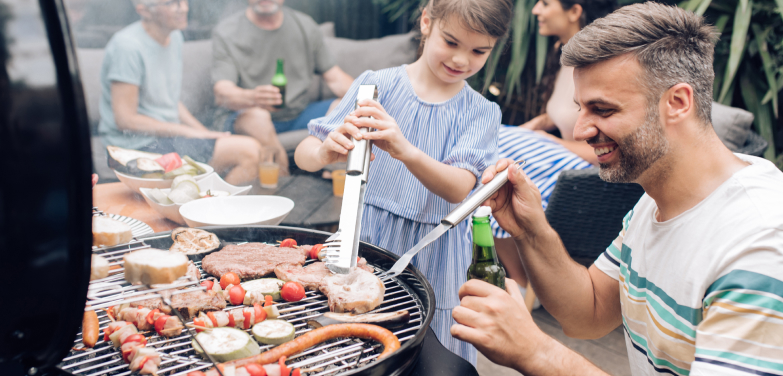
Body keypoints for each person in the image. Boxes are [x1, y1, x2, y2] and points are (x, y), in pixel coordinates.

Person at [451, 3, 783, 375]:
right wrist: (531, 230)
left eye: (603, 110)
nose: (580, 131)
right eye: (581, 108)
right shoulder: (656, 201)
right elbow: (589, 312)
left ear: (677, 102)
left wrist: (537, 352)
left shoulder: (761, 246)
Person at [294, 0, 512, 364]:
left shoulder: (481, 111)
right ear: (427, 22)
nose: (461, 59)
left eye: (479, 51)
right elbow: (306, 149)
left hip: (436, 251)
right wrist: (324, 153)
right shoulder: (375, 85)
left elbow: (459, 187)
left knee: (429, 353)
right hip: (368, 236)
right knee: (356, 345)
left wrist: (404, 149)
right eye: (451, 41)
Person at [492, 0, 617, 288]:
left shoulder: (599, 67)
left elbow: (609, 152)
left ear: (574, 12)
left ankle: (524, 283)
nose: (536, 10)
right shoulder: (567, 57)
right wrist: (533, 127)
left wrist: (544, 139)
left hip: (587, 167)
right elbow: (559, 112)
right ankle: (515, 274)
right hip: (560, 152)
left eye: (546, 3)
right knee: (491, 143)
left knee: (502, 171)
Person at [98, 0, 261, 185]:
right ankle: (214, 211)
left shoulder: (174, 37)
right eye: (171, 3)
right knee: (250, 152)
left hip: (168, 137)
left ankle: (205, 207)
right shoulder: (127, 47)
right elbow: (125, 120)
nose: (183, 8)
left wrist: (202, 132)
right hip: (137, 147)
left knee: (250, 149)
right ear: (144, 10)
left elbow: (171, 100)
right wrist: (188, 132)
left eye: (184, 1)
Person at [212, 0, 355, 173]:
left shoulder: (304, 25)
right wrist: (252, 97)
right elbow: (222, 92)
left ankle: (339, 176)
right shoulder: (227, 31)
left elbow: (336, 79)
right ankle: (285, 182)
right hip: (247, 116)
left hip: (299, 114)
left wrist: (372, 100)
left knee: (345, 107)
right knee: (258, 116)